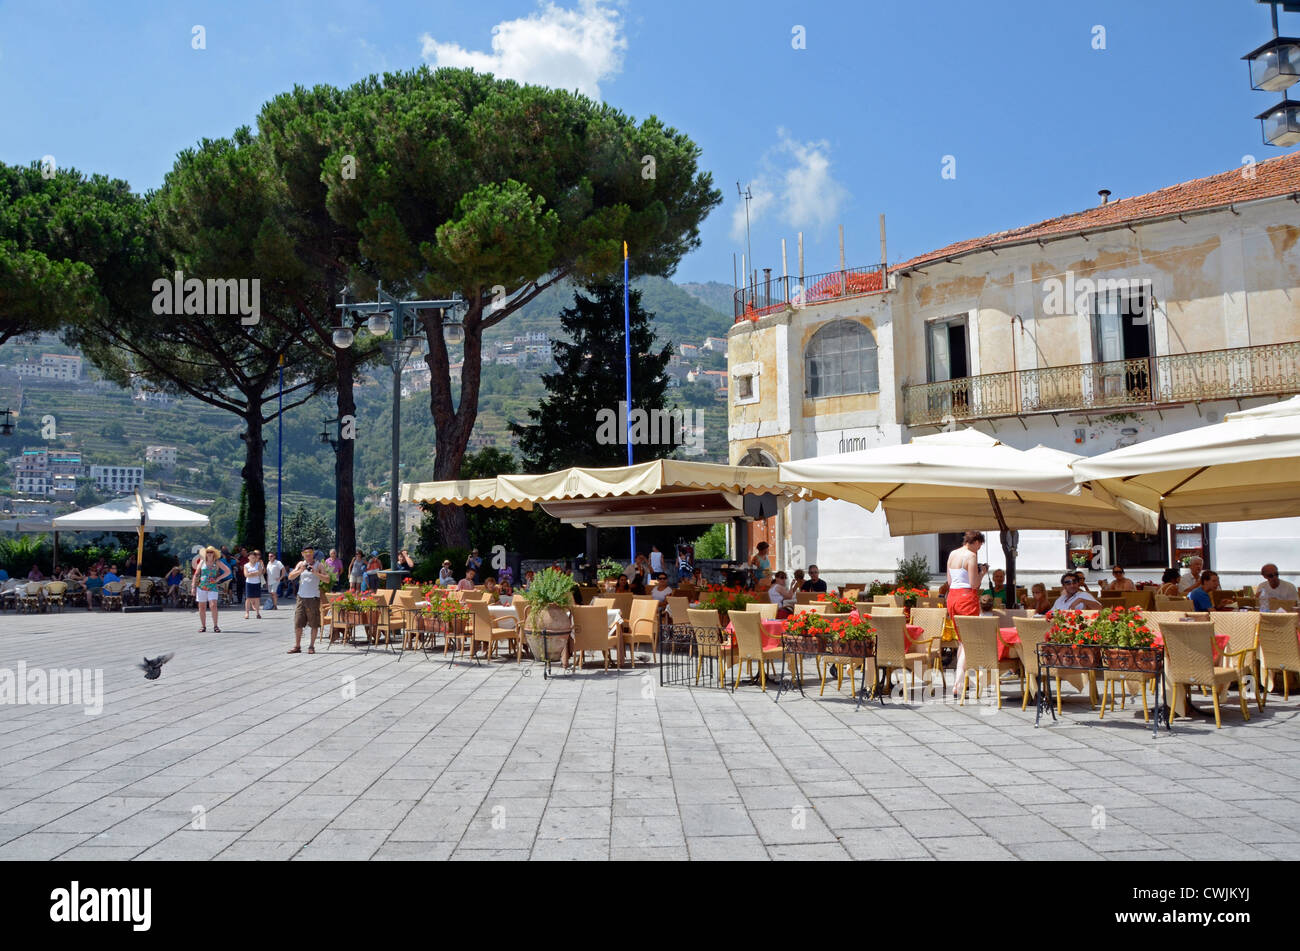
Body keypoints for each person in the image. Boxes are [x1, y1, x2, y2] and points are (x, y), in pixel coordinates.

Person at [947, 531, 987, 700]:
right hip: (966, 597)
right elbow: (974, 583)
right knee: (969, 639)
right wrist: (983, 572)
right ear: (976, 542)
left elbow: (949, 582)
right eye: (980, 545)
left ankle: (962, 680)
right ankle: (958, 683)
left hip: (952, 597)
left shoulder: (952, 553)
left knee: (962, 640)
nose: (979, 549)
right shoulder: (971, 556)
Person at [288, 546, 329, 654]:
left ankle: (311, 646)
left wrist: (316, 573)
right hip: (301, 597)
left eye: (310, 552)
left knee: (314, 624)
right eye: (306, 552)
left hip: (313, 598)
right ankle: (297, 646)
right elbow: (290, 577)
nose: (308, 554)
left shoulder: (318, 565)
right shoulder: (300, 564)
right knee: (298, 623)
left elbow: (327, 579)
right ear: (303, 554)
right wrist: (300, 571)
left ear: (313, 553)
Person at [193, 547, 232, 633]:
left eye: (211, 552)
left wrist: (218, 578)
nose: (209, 553)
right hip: (202, 586)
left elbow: (228, 571)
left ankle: (215, 625)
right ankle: (203, 626)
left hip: (213, 586)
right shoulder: (202, 562)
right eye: (208, 552)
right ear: (205, 553)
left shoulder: (217, 562)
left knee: (213, 605)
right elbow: (196, 574)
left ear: (214, 553)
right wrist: (193, 587)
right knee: (201, 607)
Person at [243, 549, 266, 620]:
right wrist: (254, 573)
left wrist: (251, 573)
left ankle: (257, 613)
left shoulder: (258, 564)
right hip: (249, 583)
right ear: (248, 557)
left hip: (257, 583)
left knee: (257, 598)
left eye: (254, 557)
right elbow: (246, 575)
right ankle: (247, 613)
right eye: (251, 557)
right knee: (248, 598)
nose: (252, 558)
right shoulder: (246, 565)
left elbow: (260, 572)